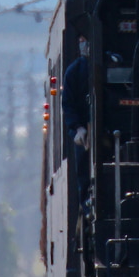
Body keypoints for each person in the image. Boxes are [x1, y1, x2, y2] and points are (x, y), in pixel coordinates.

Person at [62, 34, 90, 202]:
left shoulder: (112, 61)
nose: (83, 44)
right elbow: (68, 105)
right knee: (83, 169)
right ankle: (86, 203)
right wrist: (78, 127)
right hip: (83, 131)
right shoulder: (74, 71)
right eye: (80, 40)